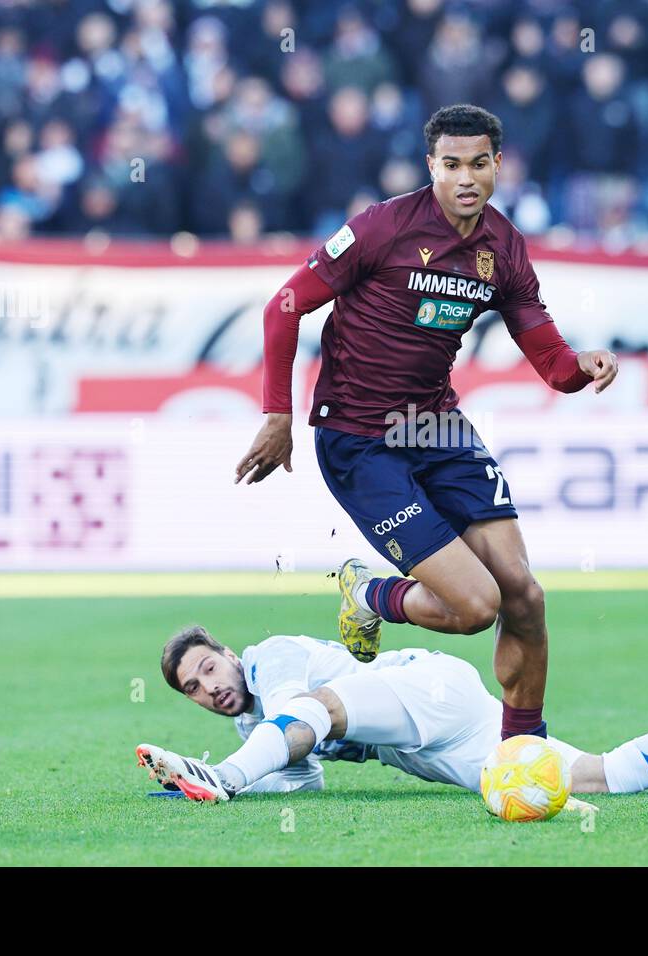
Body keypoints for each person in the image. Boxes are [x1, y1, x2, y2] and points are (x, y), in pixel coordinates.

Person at [234, 104, 618, 743]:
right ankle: (371, 596)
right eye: (451, 165)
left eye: (479, 164)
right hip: (359, 440)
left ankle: (522, 751)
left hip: (435, 426)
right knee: (476, 607)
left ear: (499, 164)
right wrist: (279, 415)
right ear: (431, 166)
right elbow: (284, 308)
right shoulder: (381, 228)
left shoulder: (503, 247)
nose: (466, 177)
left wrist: (583, 364)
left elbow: (550, 362)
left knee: (524, 595)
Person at [135, 625, 648, 803]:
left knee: (323, 708)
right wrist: (197, 780)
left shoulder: (270, 661)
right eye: (193, 688)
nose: (210, 686)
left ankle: (221, 778)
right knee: (588, 777)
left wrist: (222, 775)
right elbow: (300, 778)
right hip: (433, 740)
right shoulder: (254, 730)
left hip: (423, 687)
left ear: (227, 653)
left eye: (208, 668)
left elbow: (303, 717)